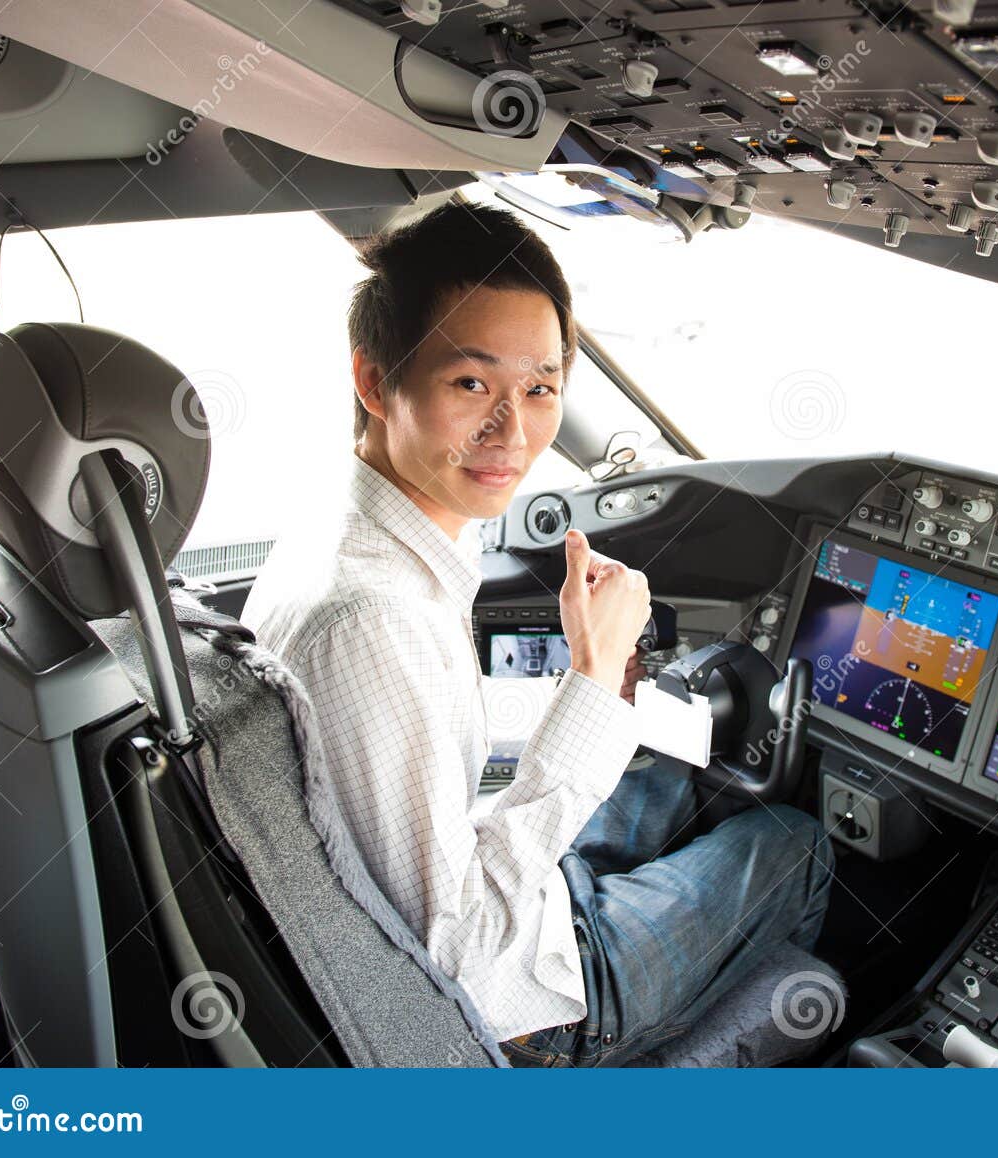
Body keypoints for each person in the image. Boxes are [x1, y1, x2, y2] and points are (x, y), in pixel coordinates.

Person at [245, 198, 832, 1066]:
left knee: (688, 774)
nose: (513, 434)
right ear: (376, 382)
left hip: (486, 895)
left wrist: (597, 702)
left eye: (541, 388)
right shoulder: (372, 619)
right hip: (515, 1016)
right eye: (471, 384)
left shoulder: (357, 538)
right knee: (791, 844)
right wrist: (593, 681)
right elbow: (459, 960)